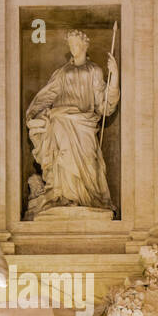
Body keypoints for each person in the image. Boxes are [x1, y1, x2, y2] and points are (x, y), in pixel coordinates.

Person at [25, 29, 119, 213]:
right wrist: (34, 113)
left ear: (85, 45)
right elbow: (47, 95)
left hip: (85, 123)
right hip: (60, 120)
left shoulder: (94, 70)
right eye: (71, 45)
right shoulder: (62, 72)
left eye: (76, 44)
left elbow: (104, 104)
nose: (73, 48)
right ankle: (65, 197)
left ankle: (89, 198)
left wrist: (114, 76)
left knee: (89, 162)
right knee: (63, 159)